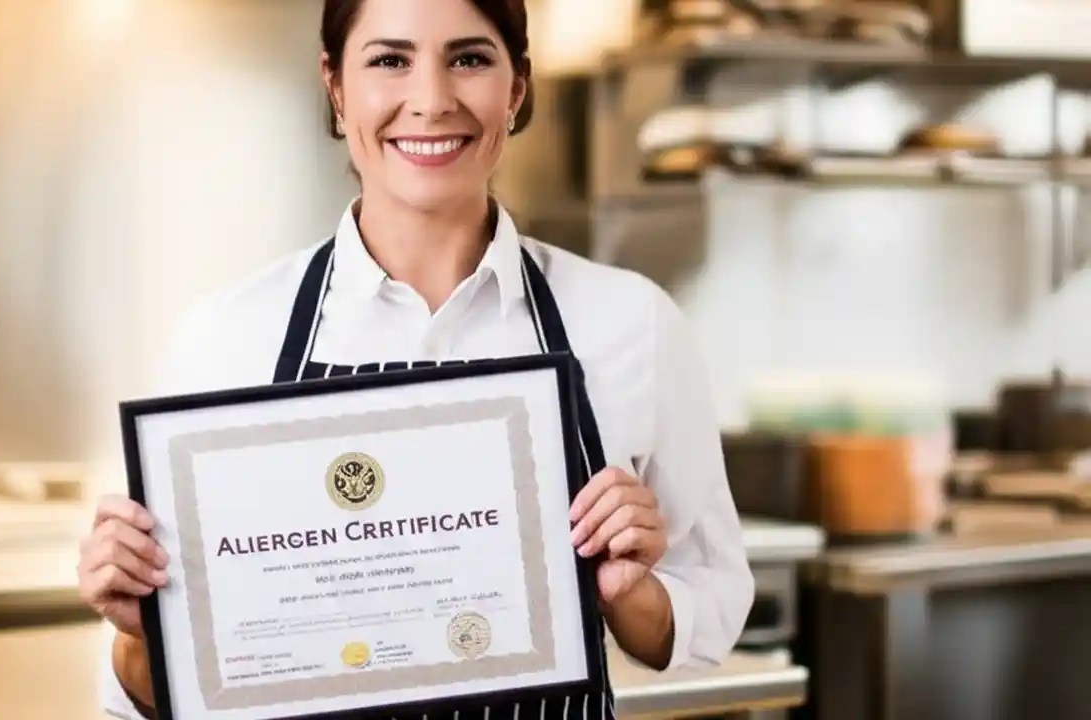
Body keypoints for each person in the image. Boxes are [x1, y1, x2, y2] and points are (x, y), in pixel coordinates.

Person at [80, 0, 754, 718]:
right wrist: (141, 631)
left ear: (516, 90)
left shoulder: (631, 322)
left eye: (469, 58)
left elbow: (711, 602)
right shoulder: (225, 339)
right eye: (389, 60)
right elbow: (152, 696)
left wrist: (629, 593)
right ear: (336, 88)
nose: (431, 101)